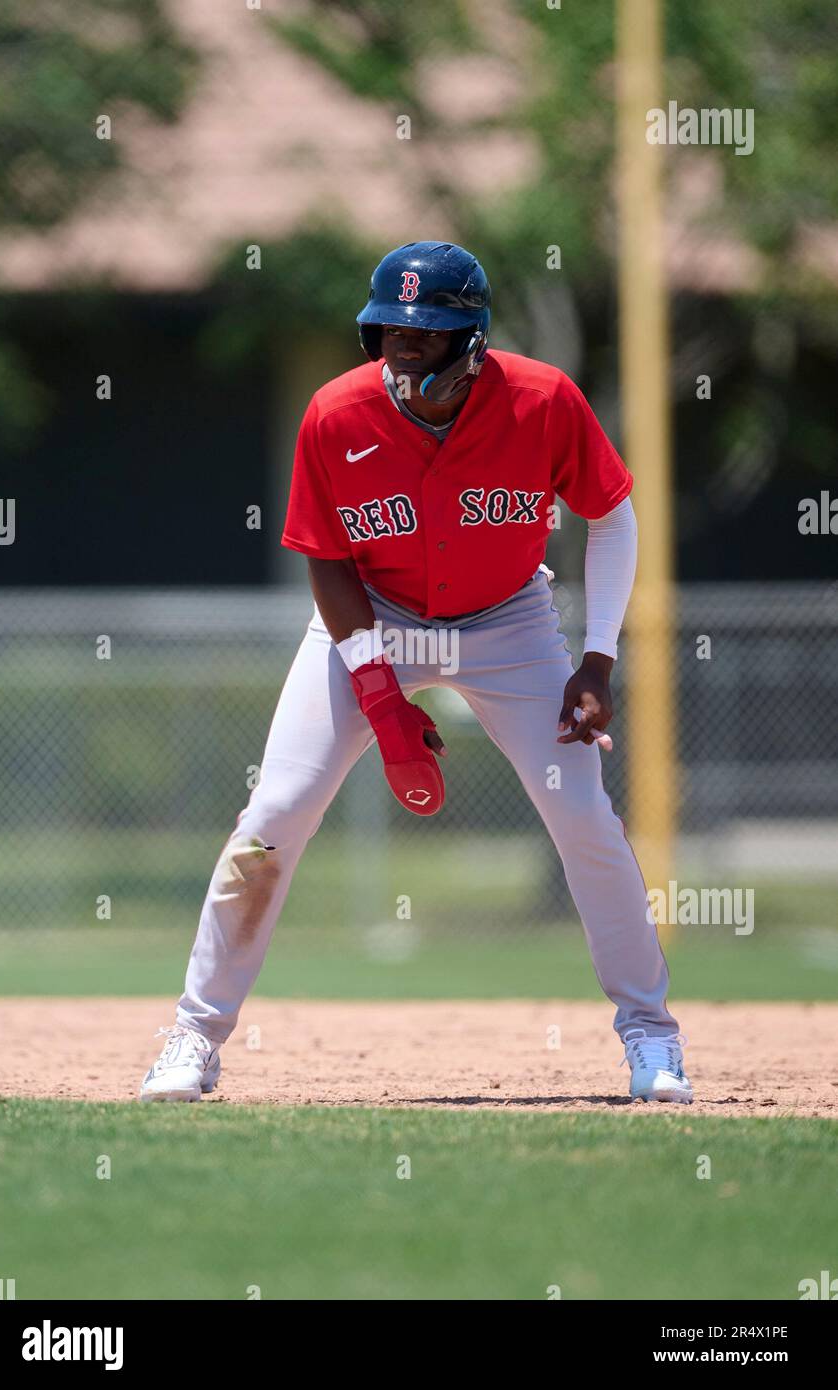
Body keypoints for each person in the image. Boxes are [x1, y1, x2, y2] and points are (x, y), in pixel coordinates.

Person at [140, 240, 692, 1105]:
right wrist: (380, 700)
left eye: (426, 333)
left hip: (510, 621)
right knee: (275, 813)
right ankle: (194, 1034)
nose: (403, 346)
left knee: (583, 814)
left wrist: (597, 658)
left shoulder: (543, 399)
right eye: (390, 327)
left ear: (472, 338)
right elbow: (325, 561)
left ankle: (652, 1036)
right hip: (372, 620)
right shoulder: (335, 414)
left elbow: (612, 515)